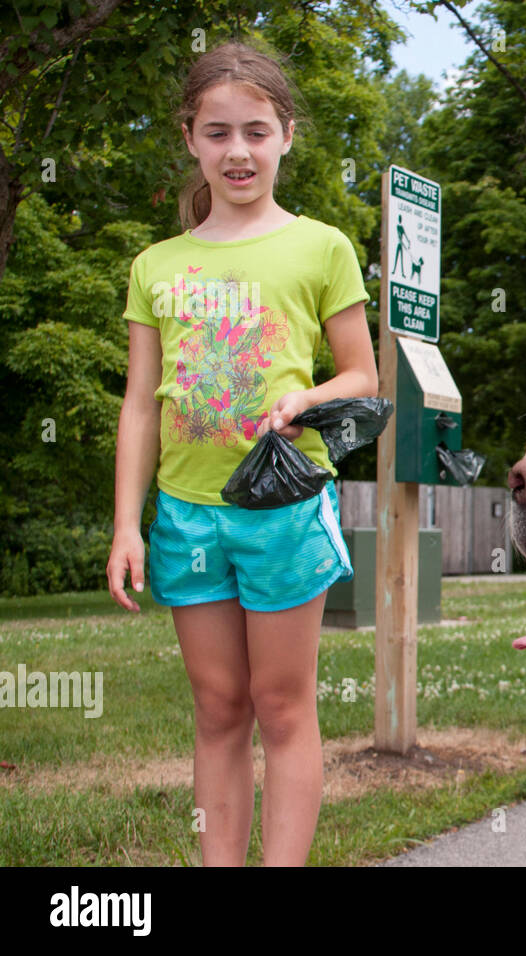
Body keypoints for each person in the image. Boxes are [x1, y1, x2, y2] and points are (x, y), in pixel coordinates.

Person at [105, 42, 377, 866]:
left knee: (282, 706)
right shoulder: (156, 265)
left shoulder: (321, 247)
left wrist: (307, 400)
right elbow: (140, 405)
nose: (237, 151)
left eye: (256, 132)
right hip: (186, 515)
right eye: (217, 132)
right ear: (190, 137)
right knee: (219, 708)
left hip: (283, 510)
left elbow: (360, 371)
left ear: (287, 135)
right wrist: (128, 524)